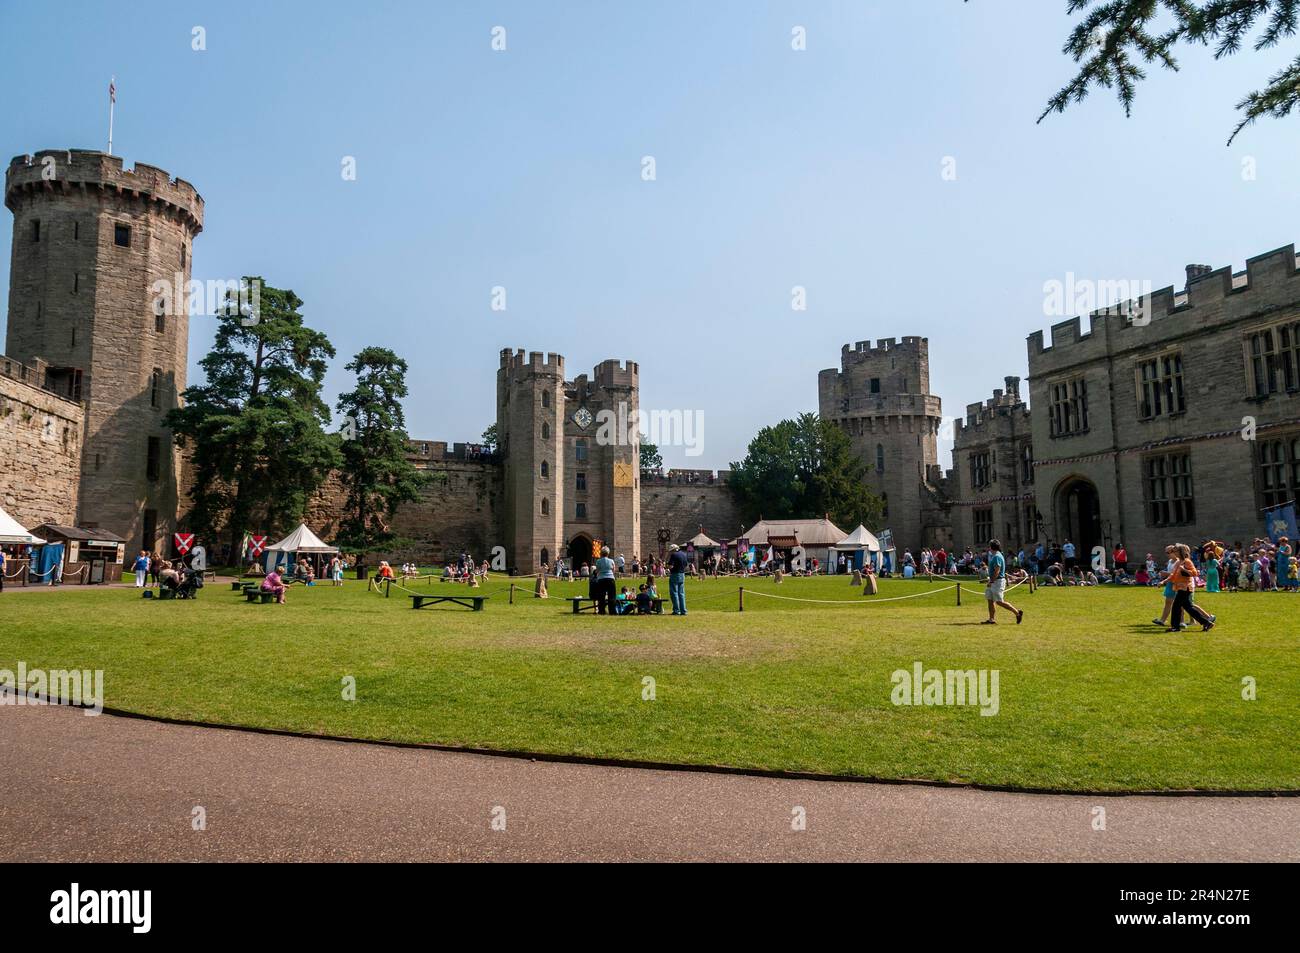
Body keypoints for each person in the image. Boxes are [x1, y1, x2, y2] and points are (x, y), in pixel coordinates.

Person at [1168, 543, 1216, 631]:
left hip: (1185, 588)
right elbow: (1173, 574)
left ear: (1180, 551)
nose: (1174, 552)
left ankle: (1175, 627)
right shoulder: (1179, 562)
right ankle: (1206, 623)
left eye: (1175, 551)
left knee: (1176, 606)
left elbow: (1194, 573)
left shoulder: (1187, 561)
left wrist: (1184, 569)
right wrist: (1164, 581)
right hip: (1181, 587)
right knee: (1188, 608)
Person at [981, 539, 1023, 624]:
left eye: (989, 546)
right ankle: (991, 619)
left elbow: (997, 571)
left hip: (997, 582)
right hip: (993, 581)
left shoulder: (997, 556)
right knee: (990, 599)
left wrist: (991, 581)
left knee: (999, 601)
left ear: (991, 547)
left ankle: (1017, 613)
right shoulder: (994, 555)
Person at [593, 546, 618, 615]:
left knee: (601, 596)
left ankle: (601, 611)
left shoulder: (598, 561)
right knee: (612, 596)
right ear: (608, 553)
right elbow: (613, 570)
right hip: (610, 578)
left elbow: (597, 570)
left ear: (601, 553)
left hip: (601, 579)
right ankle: (612, 611)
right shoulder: (611, 561)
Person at [667, 543, 690, 616]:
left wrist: (668, 568)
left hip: (674, 574)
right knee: (681, 593)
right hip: (682, 574)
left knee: (674, 593)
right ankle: (683, 610)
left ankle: (676, 610)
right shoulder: (683, 554)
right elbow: (686, 564)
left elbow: (670, 566)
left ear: (673, 550)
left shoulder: (673, 555)